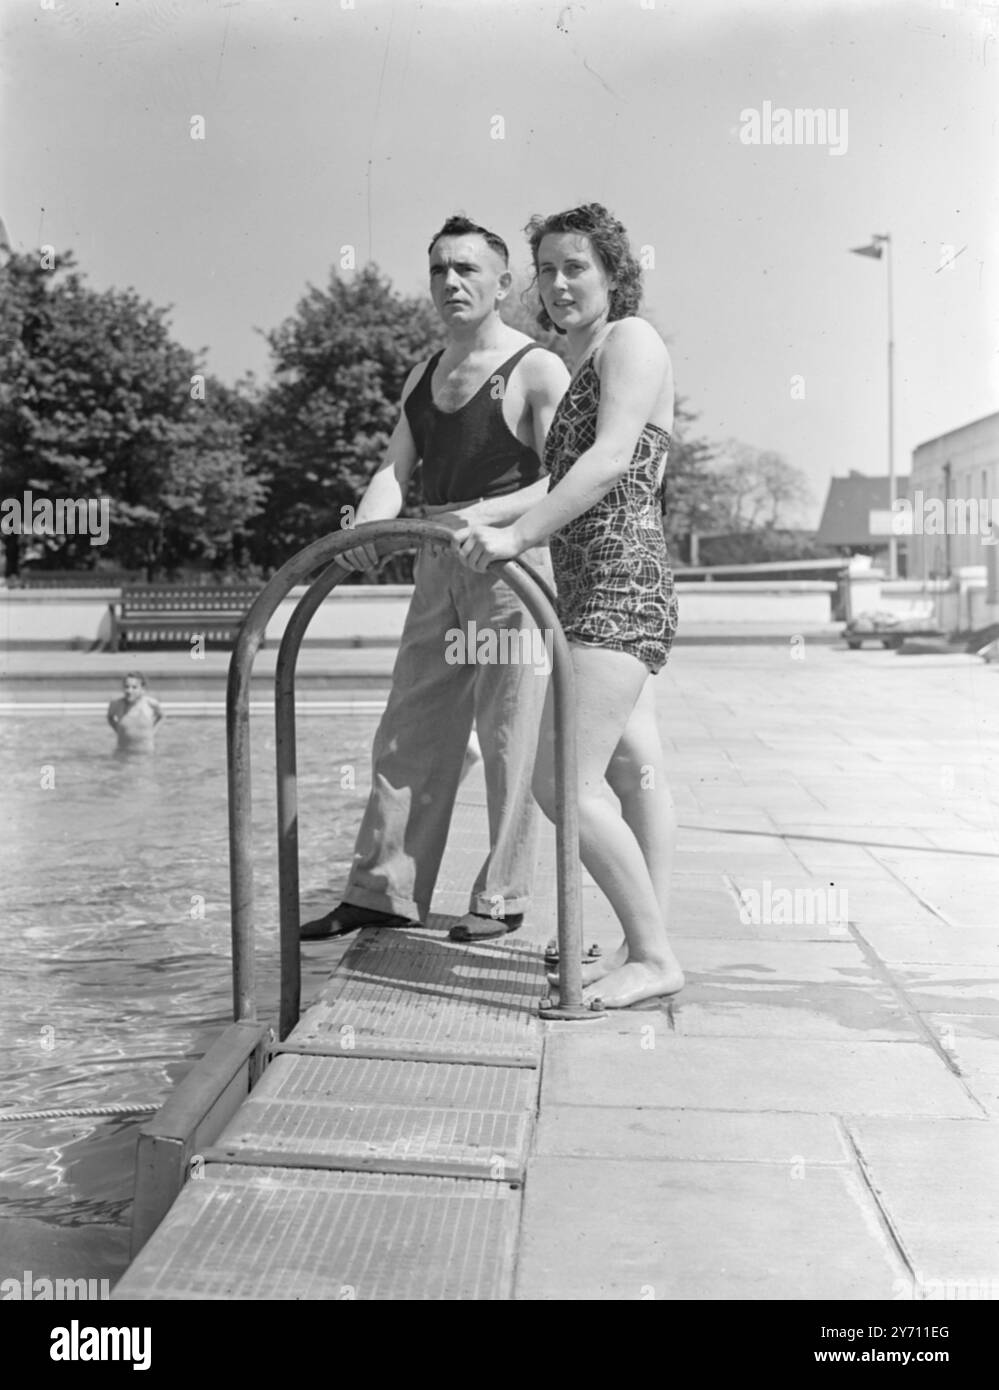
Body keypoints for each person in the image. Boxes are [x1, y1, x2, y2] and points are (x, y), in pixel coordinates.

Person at [300, 214, 570, 944]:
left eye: (468, 270)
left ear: (503, 283)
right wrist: (365, 528)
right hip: (435, 558)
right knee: (408, 731)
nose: (451, 282)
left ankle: (501, 897)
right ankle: (382, 890)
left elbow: (563, 481)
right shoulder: (424, 371)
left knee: (509, 736)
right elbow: (394, 468)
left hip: (510, 569)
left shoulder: (536, 367)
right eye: (439, 270)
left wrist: (484, 519)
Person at [453, 203, 685, 1008]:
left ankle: (653, 958)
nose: (555, 284)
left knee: (562, 784)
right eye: (545, 268)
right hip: (591, 584)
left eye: (573, 267)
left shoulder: (631, 341)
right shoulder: (572, 355)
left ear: (614, 274)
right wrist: (488, 514)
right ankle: (638, 945)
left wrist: (516, 542)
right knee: (631, 770)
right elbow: (561, 479)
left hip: (620, 585)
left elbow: (613, 460)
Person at [106, 672, 163, 754]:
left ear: (142, 689)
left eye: (134, 687)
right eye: (126, 687)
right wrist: (118, 730)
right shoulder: (116, 705)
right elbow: (110, 717)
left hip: (146, 755)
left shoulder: (150, 704)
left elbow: (162, 716)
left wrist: (152, 731)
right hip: (123, 755)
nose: (129, 690)